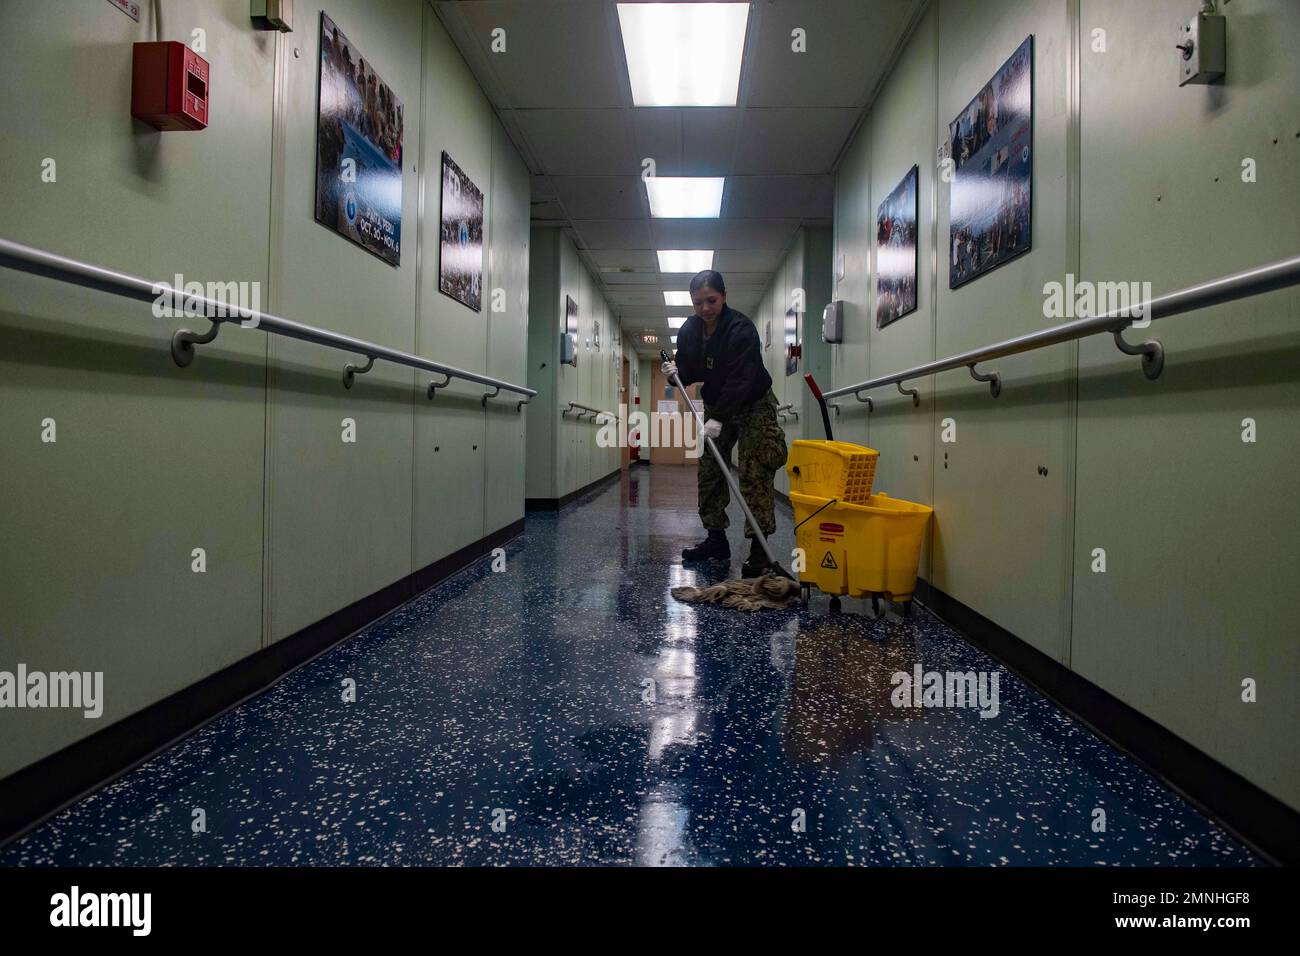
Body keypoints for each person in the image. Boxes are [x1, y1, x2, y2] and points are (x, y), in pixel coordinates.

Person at [662, 270, 788, 577]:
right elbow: (690, 368)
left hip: (753, 403)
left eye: (711, 300)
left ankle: (759, 550)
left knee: (755, 471)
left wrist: (718, 418)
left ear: (724, 296)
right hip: (719, 403)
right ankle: (716, 540)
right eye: (698, 302)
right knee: (710, 470)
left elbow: (742, 379)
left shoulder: (741, 329)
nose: (705, 308)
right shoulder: (691, 329)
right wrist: (673, 370)